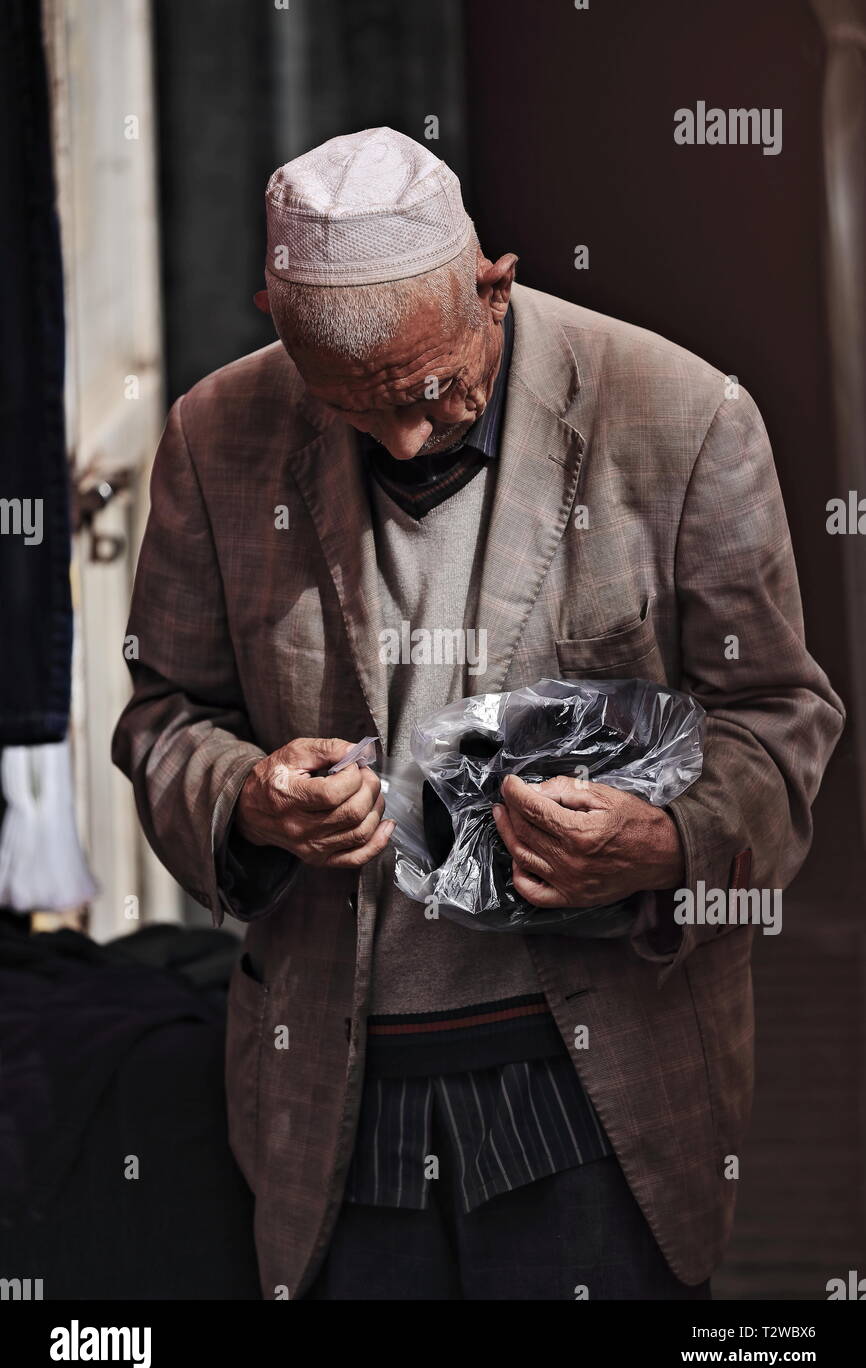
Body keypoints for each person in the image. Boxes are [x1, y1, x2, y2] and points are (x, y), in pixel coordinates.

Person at [112, 127, 844, 1300]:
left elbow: (776, 717)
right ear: (271, 314)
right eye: (348, 403)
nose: (401, 439)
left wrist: (661, 845)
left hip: (597, 1075)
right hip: (333, 1089)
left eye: (427, 390)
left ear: (491, 286)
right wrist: (244, 798)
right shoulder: (215, 435)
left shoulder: (679, 415)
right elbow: (164, 714)